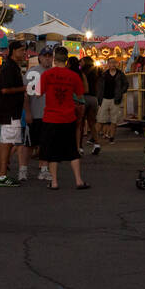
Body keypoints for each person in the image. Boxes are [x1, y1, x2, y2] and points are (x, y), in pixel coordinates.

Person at [39, 46, 90, 190]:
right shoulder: (74, 76)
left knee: (52, 152)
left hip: (51, 117)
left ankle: (54, 182)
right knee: (72, 149)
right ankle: (78, 180)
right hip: (68, 117)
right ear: (67, 60)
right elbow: (80, 94)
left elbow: (39, 92)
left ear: (54, 59)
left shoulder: (47, 75)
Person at [0, 40, 27, 187]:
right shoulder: (10, 68)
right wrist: (23, 88)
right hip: (10, 110)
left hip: (6, 110)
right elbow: (5, 90)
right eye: (21, 50)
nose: (24, 53)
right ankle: (2, 175)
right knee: (7, 142)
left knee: (3, 142)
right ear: (13, 51)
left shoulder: (11, 67)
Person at [24, 46, 53, 183]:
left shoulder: (55, 72)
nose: (47, 58)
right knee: (29, 145)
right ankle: (23, 170)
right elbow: (25, 95)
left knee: (46, 144)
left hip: (49, 115)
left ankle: (44, 170)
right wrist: (28, 113)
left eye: (50, 56)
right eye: (45, 55)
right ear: (40, 58)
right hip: (35, 114)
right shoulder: (32, 72)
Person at [97, 62, 128, 144]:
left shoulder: (120, 74)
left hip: (115, 99)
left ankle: (112, 137)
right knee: (101, 118)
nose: (113, 64)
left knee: (114, 119)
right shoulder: (104, 74)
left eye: (114, 63)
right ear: (108, 65)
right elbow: (99, 86)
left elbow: (126, 84)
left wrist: (121, 92)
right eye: (111, 63)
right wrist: (99, 96)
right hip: (105, 98)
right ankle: (95, 137)